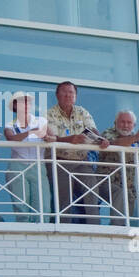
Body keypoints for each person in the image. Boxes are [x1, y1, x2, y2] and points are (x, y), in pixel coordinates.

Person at [48, 81, 108, 223]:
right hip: (60, 161)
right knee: (64, 200)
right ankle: (62, 232)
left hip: (82, 160)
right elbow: (53, 138)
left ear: (75, 96)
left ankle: (94, 229)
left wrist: (100, 139)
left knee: (92, 191)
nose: (68, 95)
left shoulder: (82, 111)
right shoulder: (49, 114)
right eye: (64, 92)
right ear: (57, 95)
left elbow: (92, 129)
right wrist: (72, 139)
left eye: (71, 93)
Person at [3, 94, 54, 223]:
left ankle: (42, 235)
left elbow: (54, 137)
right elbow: (11, 138)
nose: (26, 105)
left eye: (28, 103)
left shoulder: (41, 121)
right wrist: (31, 132)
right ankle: (24, 233)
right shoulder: (10, 124)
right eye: (21, 103)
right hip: (17, 165)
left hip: (38, 165)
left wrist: (48, 138)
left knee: (43, 206)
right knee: (20, 204)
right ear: (15, 106)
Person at [101, 109, 139, 224]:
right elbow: (114, 143)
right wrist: (136, 138)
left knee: (127, 217)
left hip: (128, 188)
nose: (126, 125)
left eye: (129, 123)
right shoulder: (108, 132)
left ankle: (121, 231)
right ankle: (116, 232)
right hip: (105, 182)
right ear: (115, 123)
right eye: (122, 122)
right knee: (121, 193)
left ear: (134, 125)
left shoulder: (136, 137)